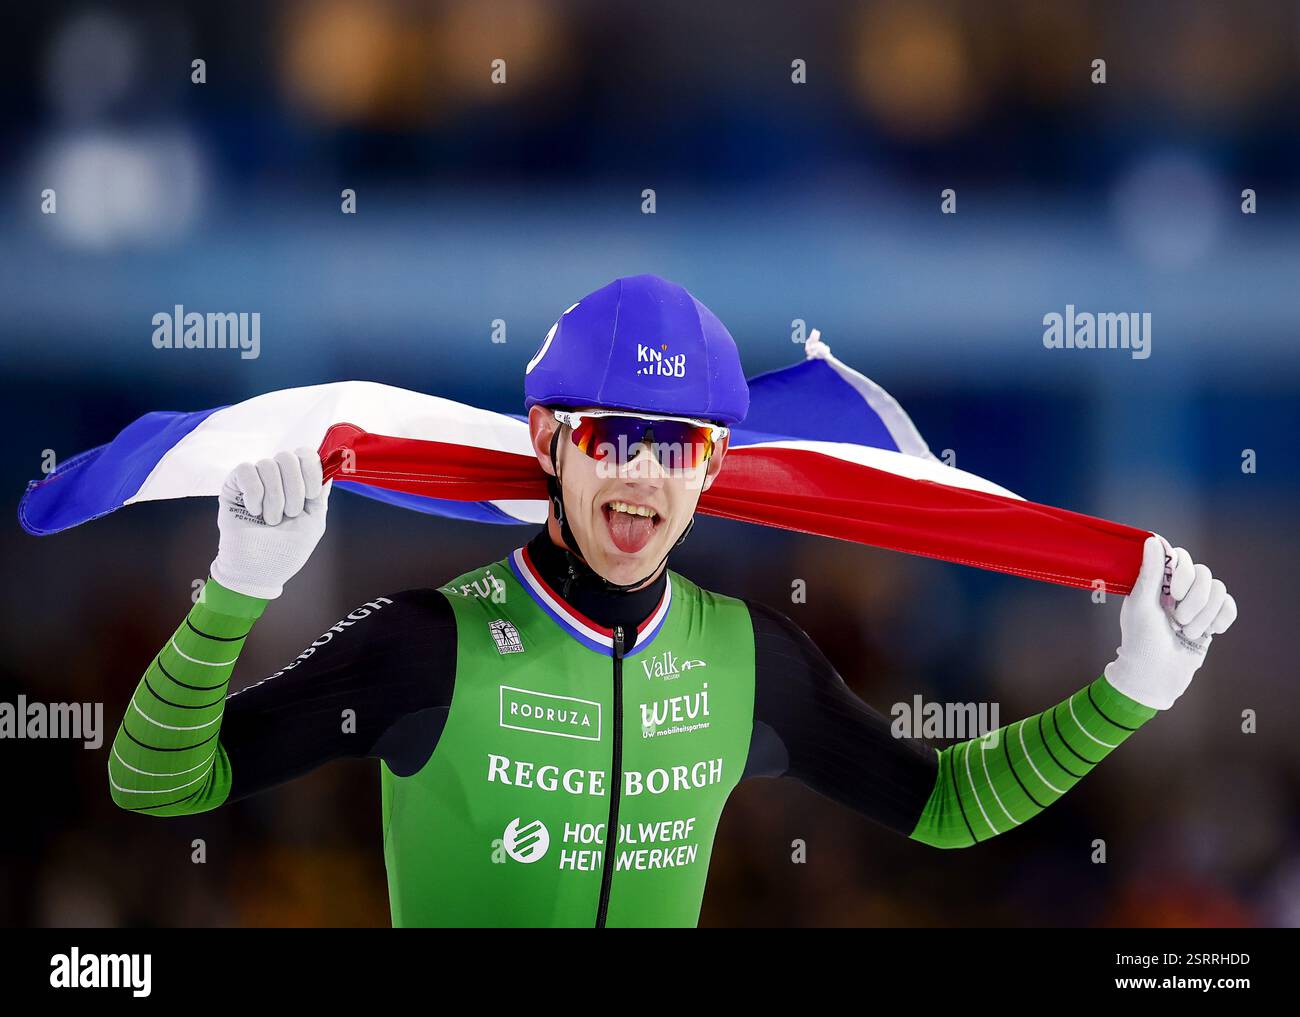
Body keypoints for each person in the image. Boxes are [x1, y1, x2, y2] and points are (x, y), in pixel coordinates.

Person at [107, 274, 1238, 927]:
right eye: (611, 438)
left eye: (674, 444)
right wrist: (235, 593)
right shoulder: (426, 647)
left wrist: (1130, 690)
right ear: (549, 442)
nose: (641, 475)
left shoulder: (756, 660)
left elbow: (944, 806)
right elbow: (157, 785)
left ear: (712, 465)